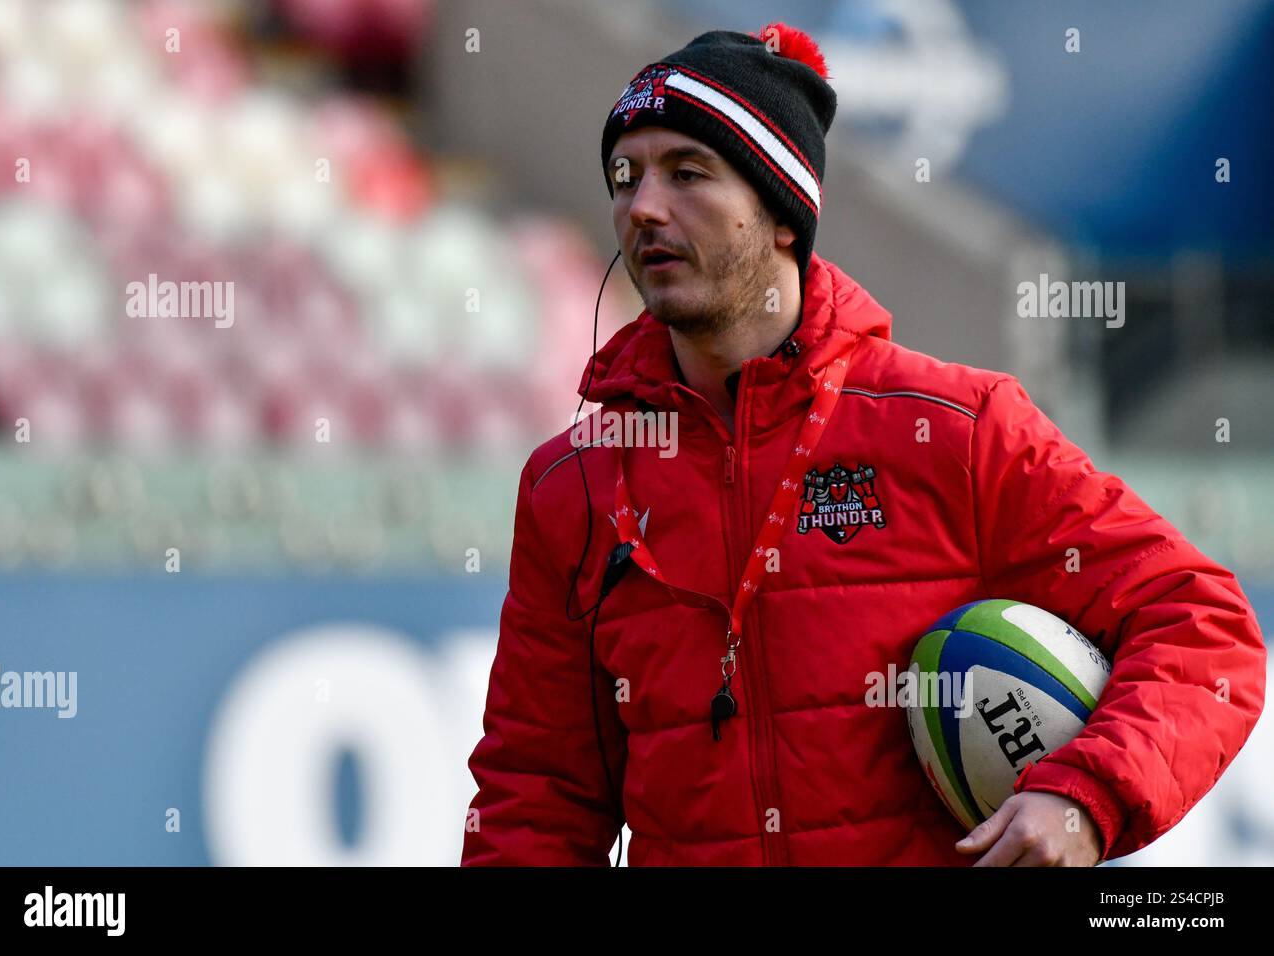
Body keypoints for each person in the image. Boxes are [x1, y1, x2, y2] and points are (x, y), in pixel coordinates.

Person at [461, 23, 1266, 866]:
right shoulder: (573, 485)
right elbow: (536, 797)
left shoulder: (956, 428)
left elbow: (1201, 625)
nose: (643, 207)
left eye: (687, 174)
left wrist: (1085, 797)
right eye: (625, 178)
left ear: (780, 213)